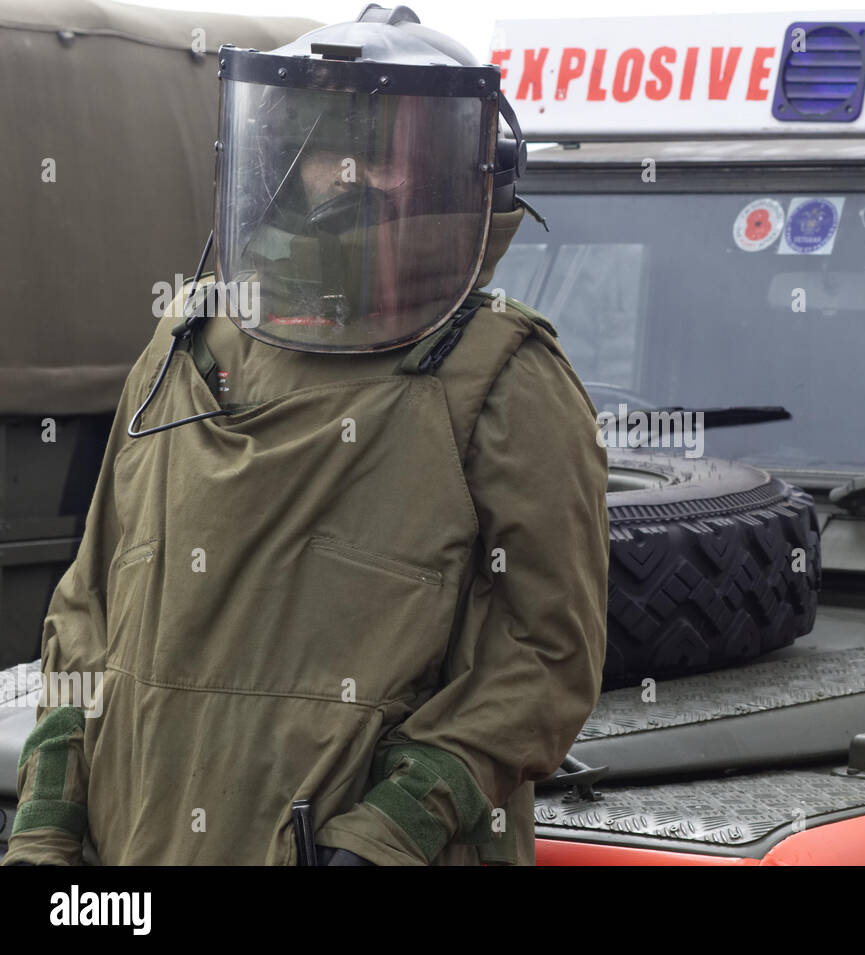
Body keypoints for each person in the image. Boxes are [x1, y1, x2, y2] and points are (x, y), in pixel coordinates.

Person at [2, 4, 608, 866]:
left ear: (457, 170)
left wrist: (389, 829)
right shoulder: (185, 347)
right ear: (275, 159)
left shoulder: (501, 376)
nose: (353, 175)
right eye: (325, 149)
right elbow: (86, 611)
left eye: (389, 154)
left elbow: (547, 657)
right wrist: (46, 826)